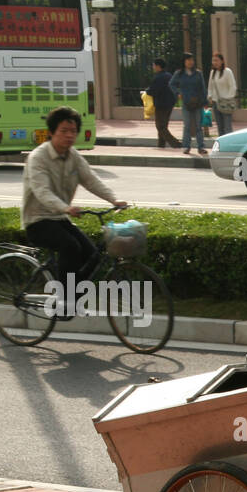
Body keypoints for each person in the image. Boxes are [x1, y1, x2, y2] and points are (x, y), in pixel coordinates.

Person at [21, 107, 128, 314]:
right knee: (70, 246)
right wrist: (66, 207)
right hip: (37, 220)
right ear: (52, 132)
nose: (69, 135)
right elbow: (42, 191)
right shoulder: (38, 158)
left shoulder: (73, 157)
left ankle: (74, 298)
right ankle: (64, 300)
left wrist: (114, 200)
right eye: (64, 130)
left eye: (73, 131)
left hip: (60, 218)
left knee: (93, 255)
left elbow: (91, 180)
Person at [169, 51, 207, 155]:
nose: (190, 62)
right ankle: (186, 146)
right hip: (186, 103)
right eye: (188, 60)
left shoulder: (198, 73)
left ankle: (201, 147)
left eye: (192, 60)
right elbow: (171, 84)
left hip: (198, 102)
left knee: (199, 126)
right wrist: (178, 93)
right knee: (187, 126)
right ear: (184, 61)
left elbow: (203, 88)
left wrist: (205, 101)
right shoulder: (179, 73)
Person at [145, 58, 181, 148]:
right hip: (170, 103)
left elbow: (153, 90)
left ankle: (176, 143)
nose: (153, 67)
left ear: (158, 66)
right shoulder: (168, 75)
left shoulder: (158, 77)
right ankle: (161, 144)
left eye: (153, 65)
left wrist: (146, 91)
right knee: (163, 125)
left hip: (161, 104)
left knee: (160, 126)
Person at [207, 52, 237, 137]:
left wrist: (227, 98)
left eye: (217, 60)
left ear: (222, 61)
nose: (215, 62)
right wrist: (210, 97)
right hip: (216, 103)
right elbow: (210, 87)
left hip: (226, 103)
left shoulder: (227, 72)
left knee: (227, 126)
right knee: (220, 126)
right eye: (213, 61)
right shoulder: (212, 72)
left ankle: (229, 145)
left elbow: (233, 87)